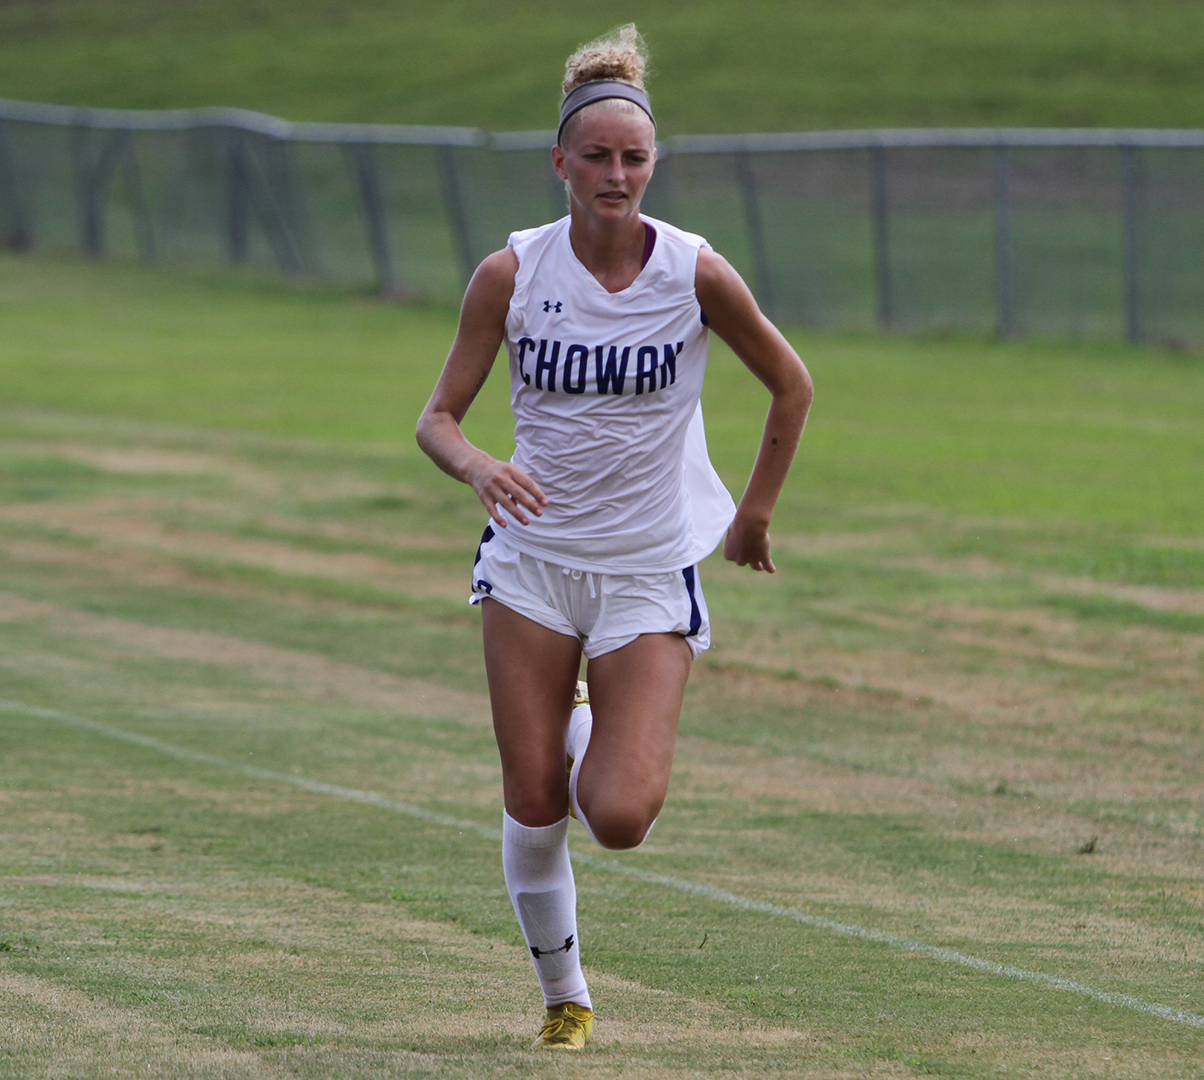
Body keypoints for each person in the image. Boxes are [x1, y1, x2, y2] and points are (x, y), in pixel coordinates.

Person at [415, 24, 812, 1050]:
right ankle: (566, 997)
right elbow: (438, 419)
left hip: (644, 570)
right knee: (535, 796)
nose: (617, 174)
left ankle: (586, 706)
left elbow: (791, 381)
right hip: (533, 569)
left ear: (653, 165)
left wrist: (753, 511)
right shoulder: (512, 274)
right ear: (560, 162)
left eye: (634, 157)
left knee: (622, 815)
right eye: (596, 155)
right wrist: (480, 468)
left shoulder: (694, 271)